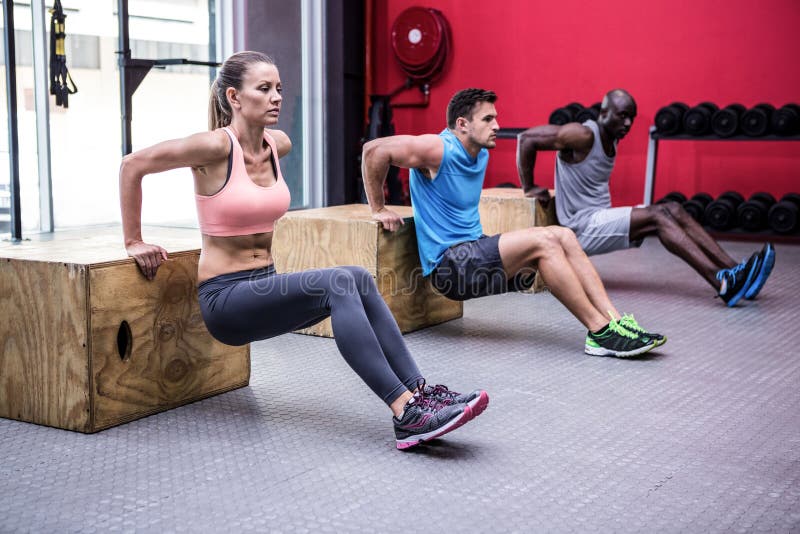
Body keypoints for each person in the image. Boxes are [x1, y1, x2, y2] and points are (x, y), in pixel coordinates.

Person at [118, 51, 488, 450]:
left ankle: (420, 393)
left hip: (264, 285)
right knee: (340, 281)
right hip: (225, 299)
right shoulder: (212, 148)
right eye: (264, 89)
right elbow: (132, 165)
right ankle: (405, 412)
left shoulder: (278, 144)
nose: (277, 96)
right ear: (234, 98)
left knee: (358, 277)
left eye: (279, 88)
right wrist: (133, 239)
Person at [361, 88, 665, 358]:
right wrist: (378, 207)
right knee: (545, 242)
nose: (497, 126)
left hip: (473, 254)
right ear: (462, 125)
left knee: (563, 235)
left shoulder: (478, 152)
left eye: (496, 118)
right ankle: (599, 333)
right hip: (449, 267)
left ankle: (614, 322)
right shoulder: (438, 148)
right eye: (488, 119)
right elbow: (374, 150)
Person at [516, 89, 775, 307]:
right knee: (657, 216)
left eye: (632, 118)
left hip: (600, 221)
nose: (628, 123)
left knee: (672, 208)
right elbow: (527, 138)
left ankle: (737, 271)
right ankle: (722, 282)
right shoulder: (583, 135)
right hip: (581, 228)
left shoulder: (612, 137)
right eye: (622, 116)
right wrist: (529, 186)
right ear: (604, 113)